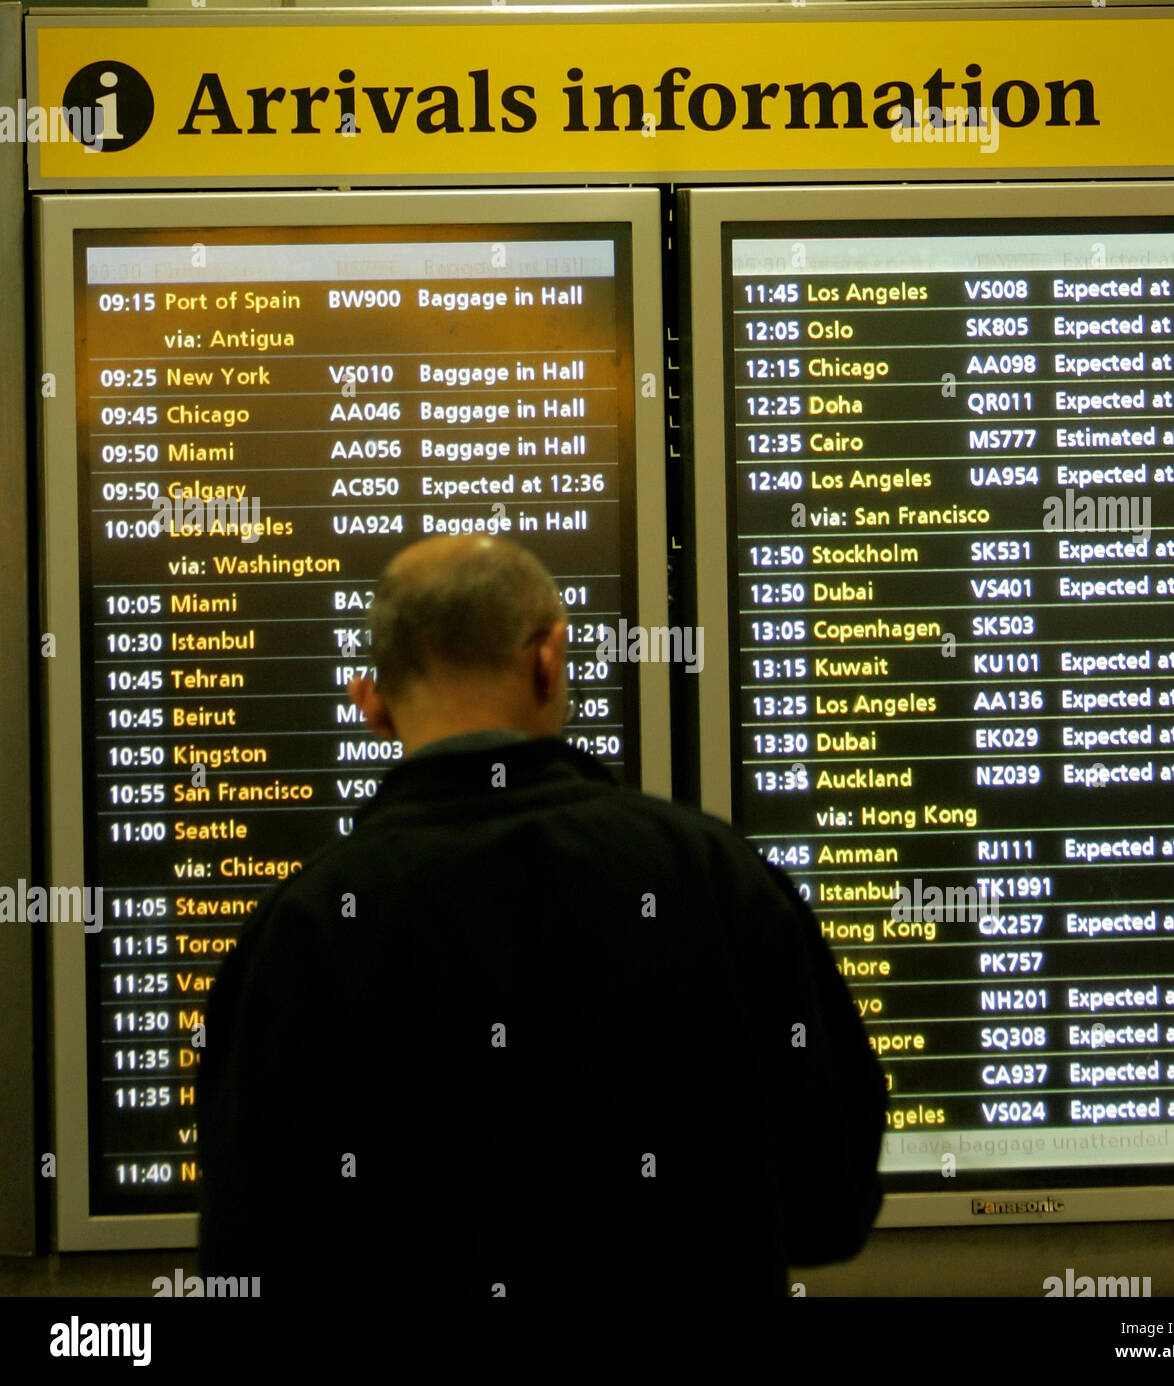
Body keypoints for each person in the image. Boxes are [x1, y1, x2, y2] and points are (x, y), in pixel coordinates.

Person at [198, 535, 887, 1299]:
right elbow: (830, 1205)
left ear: (373, 704)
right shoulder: (715, 877)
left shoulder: (301, 930)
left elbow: (247, 1259)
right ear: (550, 660)